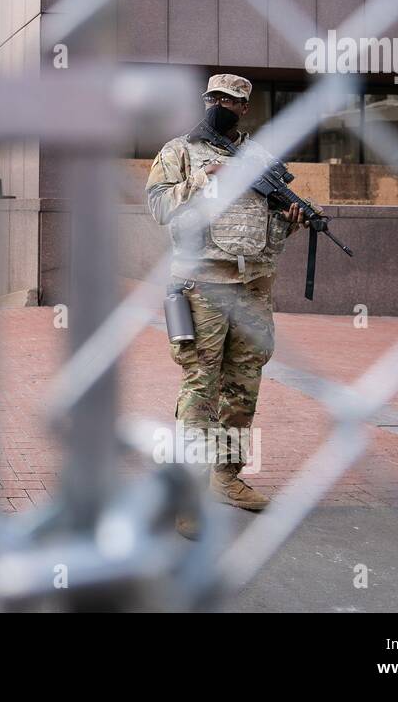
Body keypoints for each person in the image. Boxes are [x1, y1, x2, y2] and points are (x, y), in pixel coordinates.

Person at [145, 73, 309, 540]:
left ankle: (227, 477)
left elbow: (268, 225)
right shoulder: (179, 151)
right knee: (201, 386)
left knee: (244, 387)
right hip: (202, 286)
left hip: (253, 287)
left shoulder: (259, 159)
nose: (222, 104)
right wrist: (203, 177)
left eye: (233, 100)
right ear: (205, 100)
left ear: (245, 108)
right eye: (215, 97)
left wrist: (291, 221)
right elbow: (157, 208)